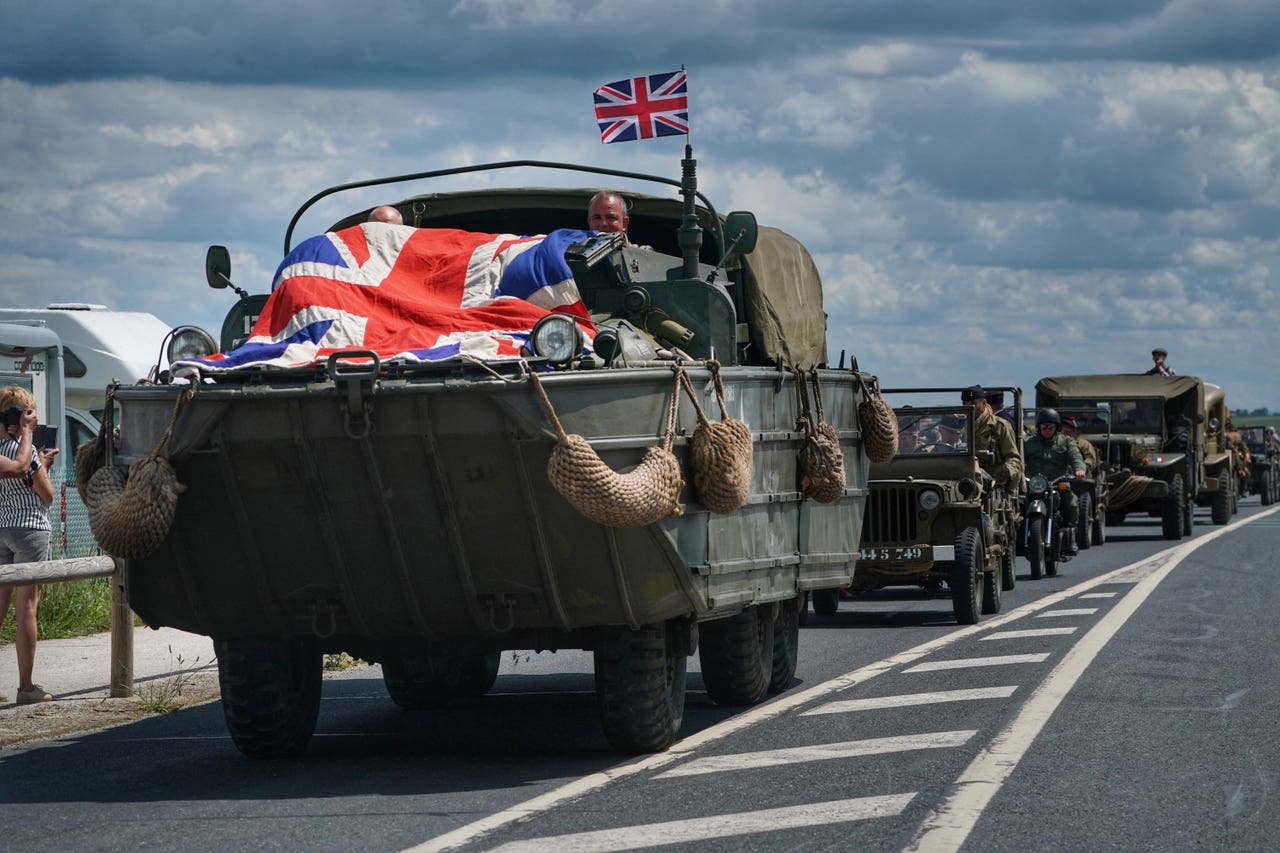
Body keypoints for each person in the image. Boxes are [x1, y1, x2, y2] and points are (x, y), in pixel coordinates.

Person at [0, 386, 58, 704]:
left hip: (2, 528)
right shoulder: (27, 452)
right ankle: (26, 687)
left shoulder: (1, 450)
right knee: (27, 608)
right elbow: (46, 496)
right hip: (31, 530)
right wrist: (43, 465)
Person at [1024, 408, 1086, 554]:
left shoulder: (1066, 441)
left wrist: (1079, 469)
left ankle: (1071, 536)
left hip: (1059, 483)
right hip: (1035, 485)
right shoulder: (1029, 443)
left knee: (1071, 503)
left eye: (1050, 427)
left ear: (1056, 427)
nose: (1047, 430)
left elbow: (1076, 457)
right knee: (1018, 506)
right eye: (1044, 426)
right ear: (1038, 427)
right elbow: (1019, 460)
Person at [961, 385, 1022, 487]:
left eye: (973, 404)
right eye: (964, 404)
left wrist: (1006, 471)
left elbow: (1014, 459)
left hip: (993, 485)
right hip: (964, 483)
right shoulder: (961, 426)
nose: (968, 407)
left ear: (984, 403)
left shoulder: (999, 426)